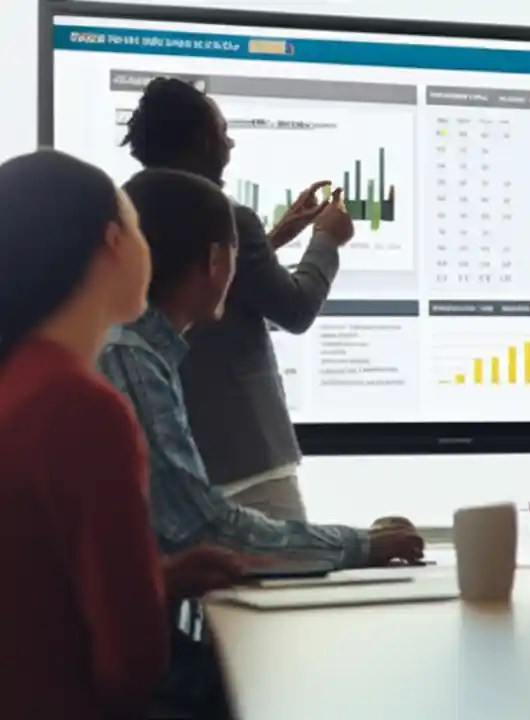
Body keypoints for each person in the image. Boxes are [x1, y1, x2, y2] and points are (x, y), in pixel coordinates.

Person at [0, 150, 248, 718]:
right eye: (139, 229)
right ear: (114, 242)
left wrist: (154, 581)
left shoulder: (20, 382)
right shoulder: (81, 408)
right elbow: (129, 666)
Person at [100, 167, 425, 569]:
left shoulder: (129, 348)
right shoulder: (133, 364)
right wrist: (362, 545)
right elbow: (205, 533)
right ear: (216, 260)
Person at [122, 76, 344, 521]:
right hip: (247, 460)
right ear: (204, 141)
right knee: (290, 581)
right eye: (224, 132)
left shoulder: (126, 211)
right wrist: (326, 241)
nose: (231, 142)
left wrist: (275, 236)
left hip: (169, 457)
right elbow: (295, 310)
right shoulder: (227, 217)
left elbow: (195, 280)